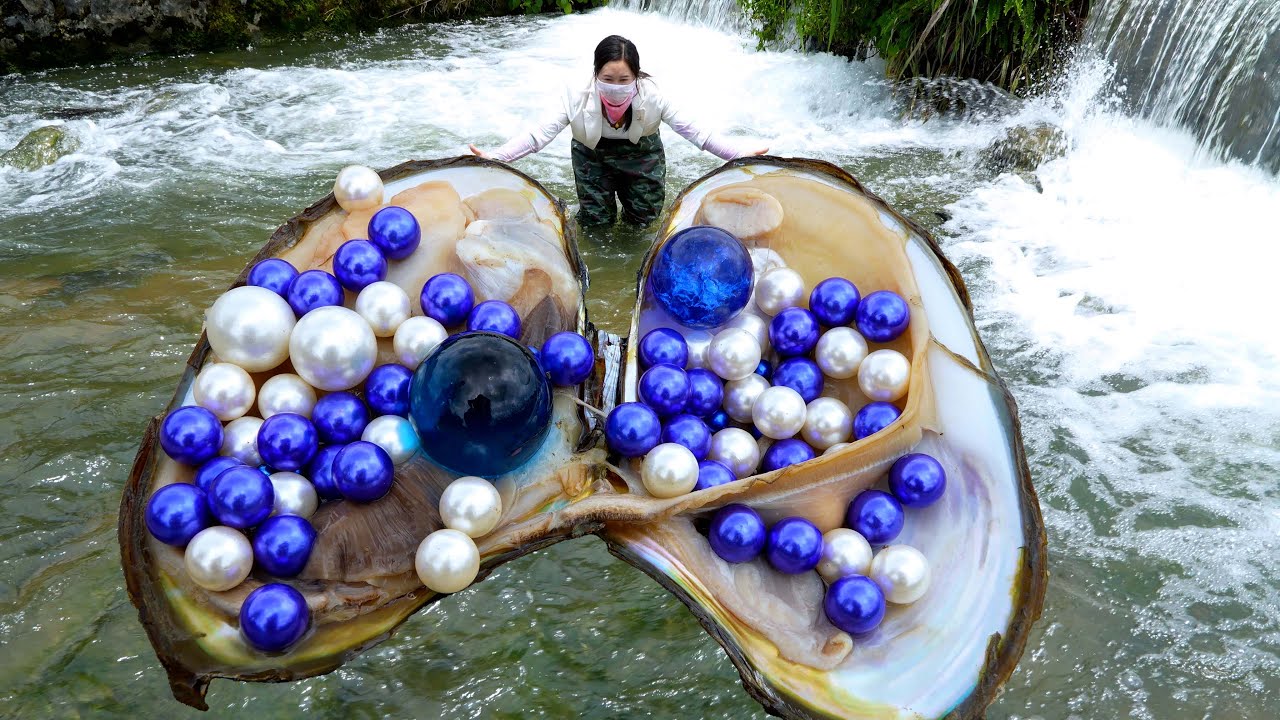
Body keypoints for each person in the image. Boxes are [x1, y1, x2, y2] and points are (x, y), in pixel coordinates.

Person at [470, 35, 768, 227]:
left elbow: (697, 134)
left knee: (643, 223)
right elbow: (538, 136)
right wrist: (497, 157)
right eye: (607, 78)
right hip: (591, 157)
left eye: (624, 78)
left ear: (636, 76)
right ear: (595, 74)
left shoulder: (653, 96)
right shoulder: (576, 96)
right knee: (596, 223)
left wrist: (740, 155)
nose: (615, 85)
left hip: (642, 156)